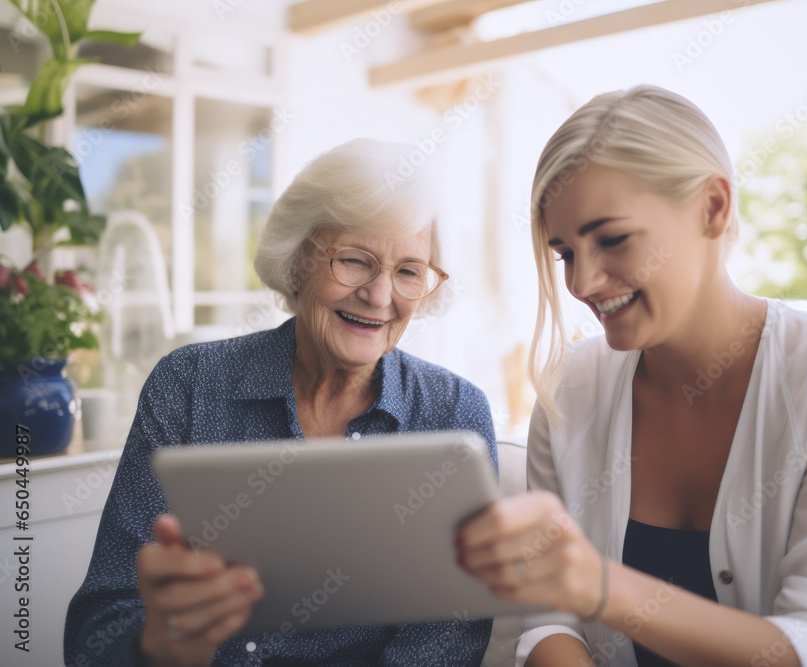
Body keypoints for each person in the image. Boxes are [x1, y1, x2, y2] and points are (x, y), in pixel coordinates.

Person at [456, 85, 807, 667]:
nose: (582, 283)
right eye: (565, 253)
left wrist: (601, 586)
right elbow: (548, 623)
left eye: (613, 240)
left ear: (713, 208)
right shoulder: (569, 386)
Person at [64, 139, 498, 667]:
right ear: (297, 261)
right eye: (354, 260)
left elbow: (446, 640)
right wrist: (160, 645)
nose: (380, 296)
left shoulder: (453, 415)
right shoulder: (189, 386)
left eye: (408, 271)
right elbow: (98, 626)